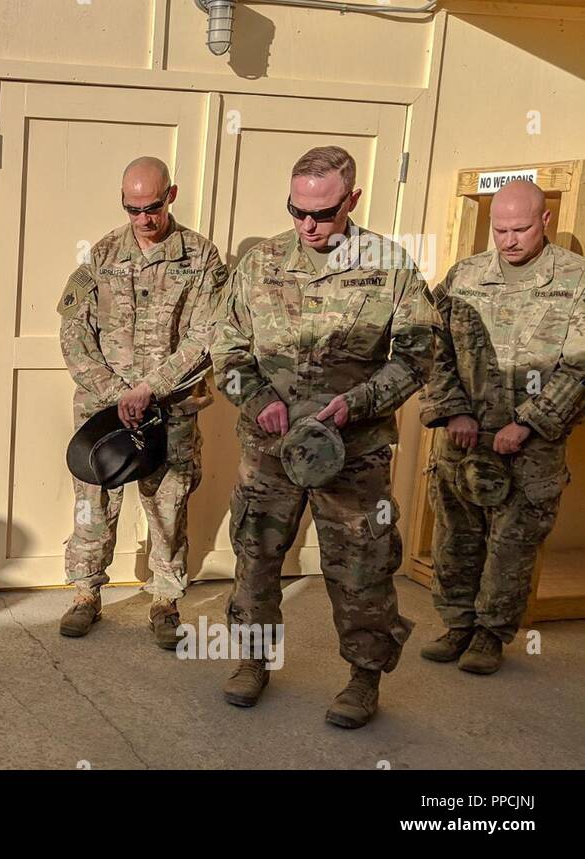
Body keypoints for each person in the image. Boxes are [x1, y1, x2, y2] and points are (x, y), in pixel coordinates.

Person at [210, 145, 435, 728]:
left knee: (362, 565)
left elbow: (418, 356)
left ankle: (363, 678)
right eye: (296, 210)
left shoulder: (390, 266)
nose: (307, 225)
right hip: (270, 451)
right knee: (256, 555)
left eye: (323, 213)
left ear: (352, 200)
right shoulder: (260, 263)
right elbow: (225, 348)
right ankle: (253, 660)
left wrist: (359, 403)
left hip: (354, 455)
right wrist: (257, 398)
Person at [57, 156, 228, 647]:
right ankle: (85, 593)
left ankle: (165, 600)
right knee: (93, 503)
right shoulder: (102, 254)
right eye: (132, 208)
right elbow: (73, 332)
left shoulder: (201, 257)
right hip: (103, 409)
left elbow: (206, 335)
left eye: (152, 207)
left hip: (169, 408)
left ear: (171, 195)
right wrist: (117, 394)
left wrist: (150, 388)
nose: (143, 218)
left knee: (168, 507)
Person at [418, 179, 585, 674]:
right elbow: (432, 344)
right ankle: (456, 625)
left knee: (512, 545)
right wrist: (453, 410)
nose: (509, 240)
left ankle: (491, 635)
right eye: (500, 229)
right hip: (462, 440)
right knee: (455, 537)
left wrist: (528, 423)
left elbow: (579, 367)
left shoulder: (575, 279)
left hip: (531, 447)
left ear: (545, 221)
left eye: (521, 229)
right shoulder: (464, 276)